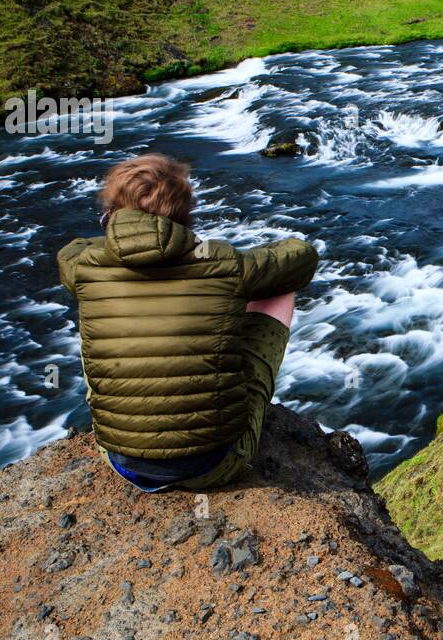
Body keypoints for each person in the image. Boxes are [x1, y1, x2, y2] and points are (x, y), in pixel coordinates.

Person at [56, 154, 318, 491]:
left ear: (110, 213)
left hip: (123, 462)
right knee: (278, 289)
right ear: (184, 215)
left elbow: (71, 251)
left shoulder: (85, 265)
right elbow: (300, 256)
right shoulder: (221, 261)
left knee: (103, 318)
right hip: (215, 464)